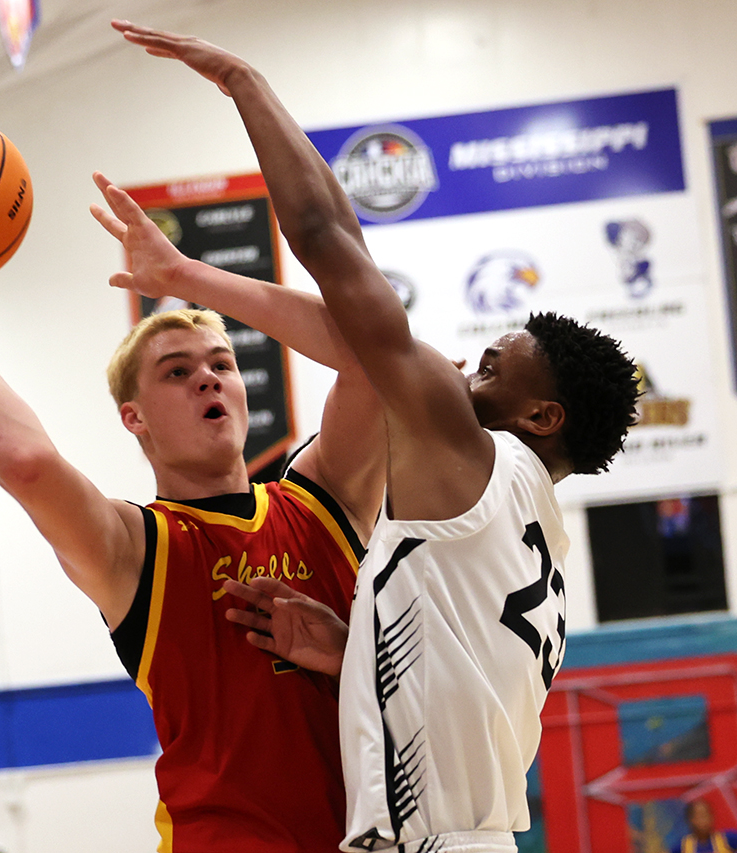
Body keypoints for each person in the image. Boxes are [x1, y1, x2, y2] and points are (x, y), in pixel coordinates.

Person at [107, 20, 641, 853]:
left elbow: (328, 240)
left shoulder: (473, 458)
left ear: (543, 417)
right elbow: (453, 686)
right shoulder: (540, 534)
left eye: (493, 370)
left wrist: (245, 83)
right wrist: (358, 650)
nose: (467, 371)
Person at [0, 184, 388, 848]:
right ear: (133, 418)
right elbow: (25, 461)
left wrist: (186, 277)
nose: (208, 378)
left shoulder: (320, 498)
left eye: (222, 363)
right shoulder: (138, 546)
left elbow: (376, 349)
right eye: (176, 371)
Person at [673, 800, 737, 853]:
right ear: (690, 820)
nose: (703, 821)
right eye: (699, 816)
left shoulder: (727, 839)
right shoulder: (682, 846)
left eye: (706, 815)